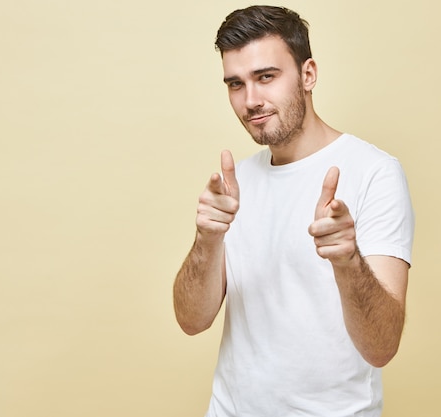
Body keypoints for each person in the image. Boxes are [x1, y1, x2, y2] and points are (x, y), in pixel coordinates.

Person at [173, 5, 415, 416]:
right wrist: (207, 240)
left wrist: (347, 259)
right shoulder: (237, 182)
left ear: (308, 75)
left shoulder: (375, 172)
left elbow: (382, 347)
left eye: (266, 77)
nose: (251, 100)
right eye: (236, 83)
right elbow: (191, 321)